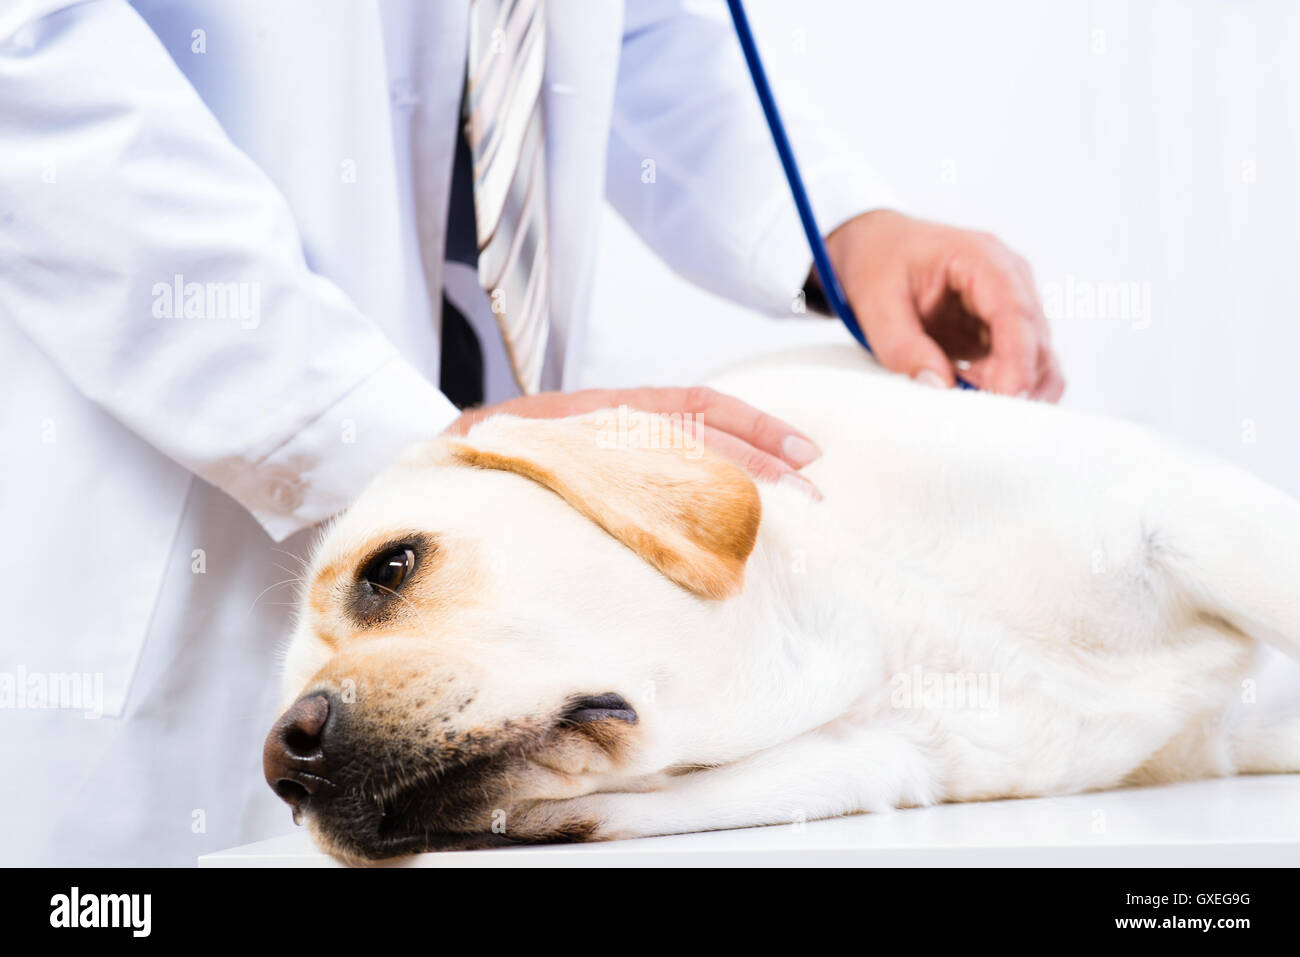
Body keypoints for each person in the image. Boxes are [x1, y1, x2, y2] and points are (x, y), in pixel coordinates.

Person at [0, 0, 1062, 865]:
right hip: (170, 487)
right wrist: (402, 452)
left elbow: (609, 27)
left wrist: (838, 224)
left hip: (501, 686)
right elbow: (31, 61)